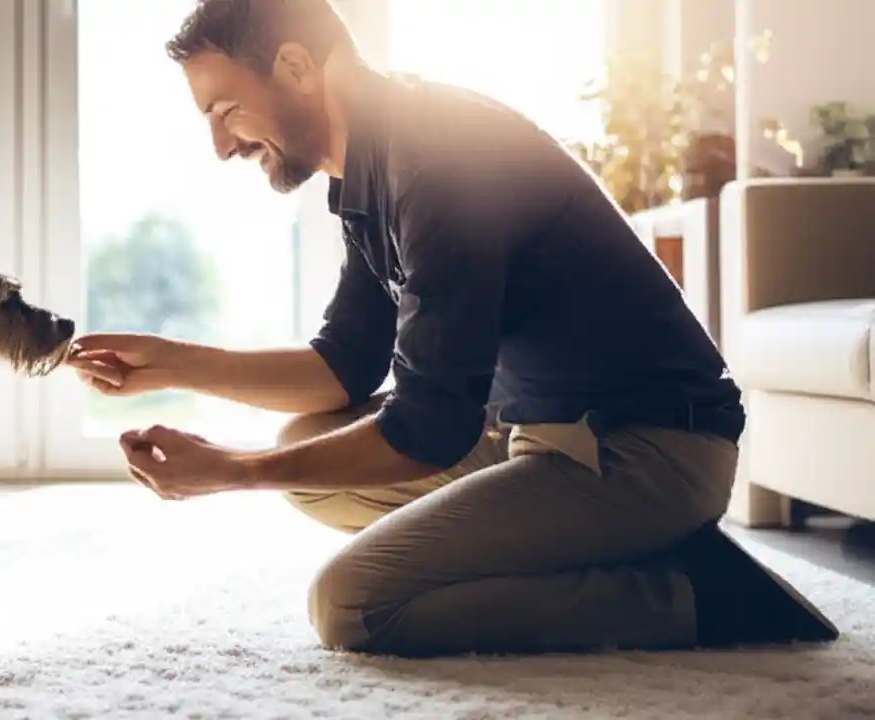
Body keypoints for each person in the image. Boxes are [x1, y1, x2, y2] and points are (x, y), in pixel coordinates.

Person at [65, 0, 837, 657]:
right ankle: (589, 538)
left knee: (352, 606)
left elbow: (427, 427)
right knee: (305, 453)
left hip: (647, 449)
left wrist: (229, 473)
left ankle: (691, 591)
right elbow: (343, 366)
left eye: (225, 110)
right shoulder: (370, 164)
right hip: (537, 432)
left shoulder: (437, 161)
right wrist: (169, 363)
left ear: (297, 67)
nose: (222, 145)